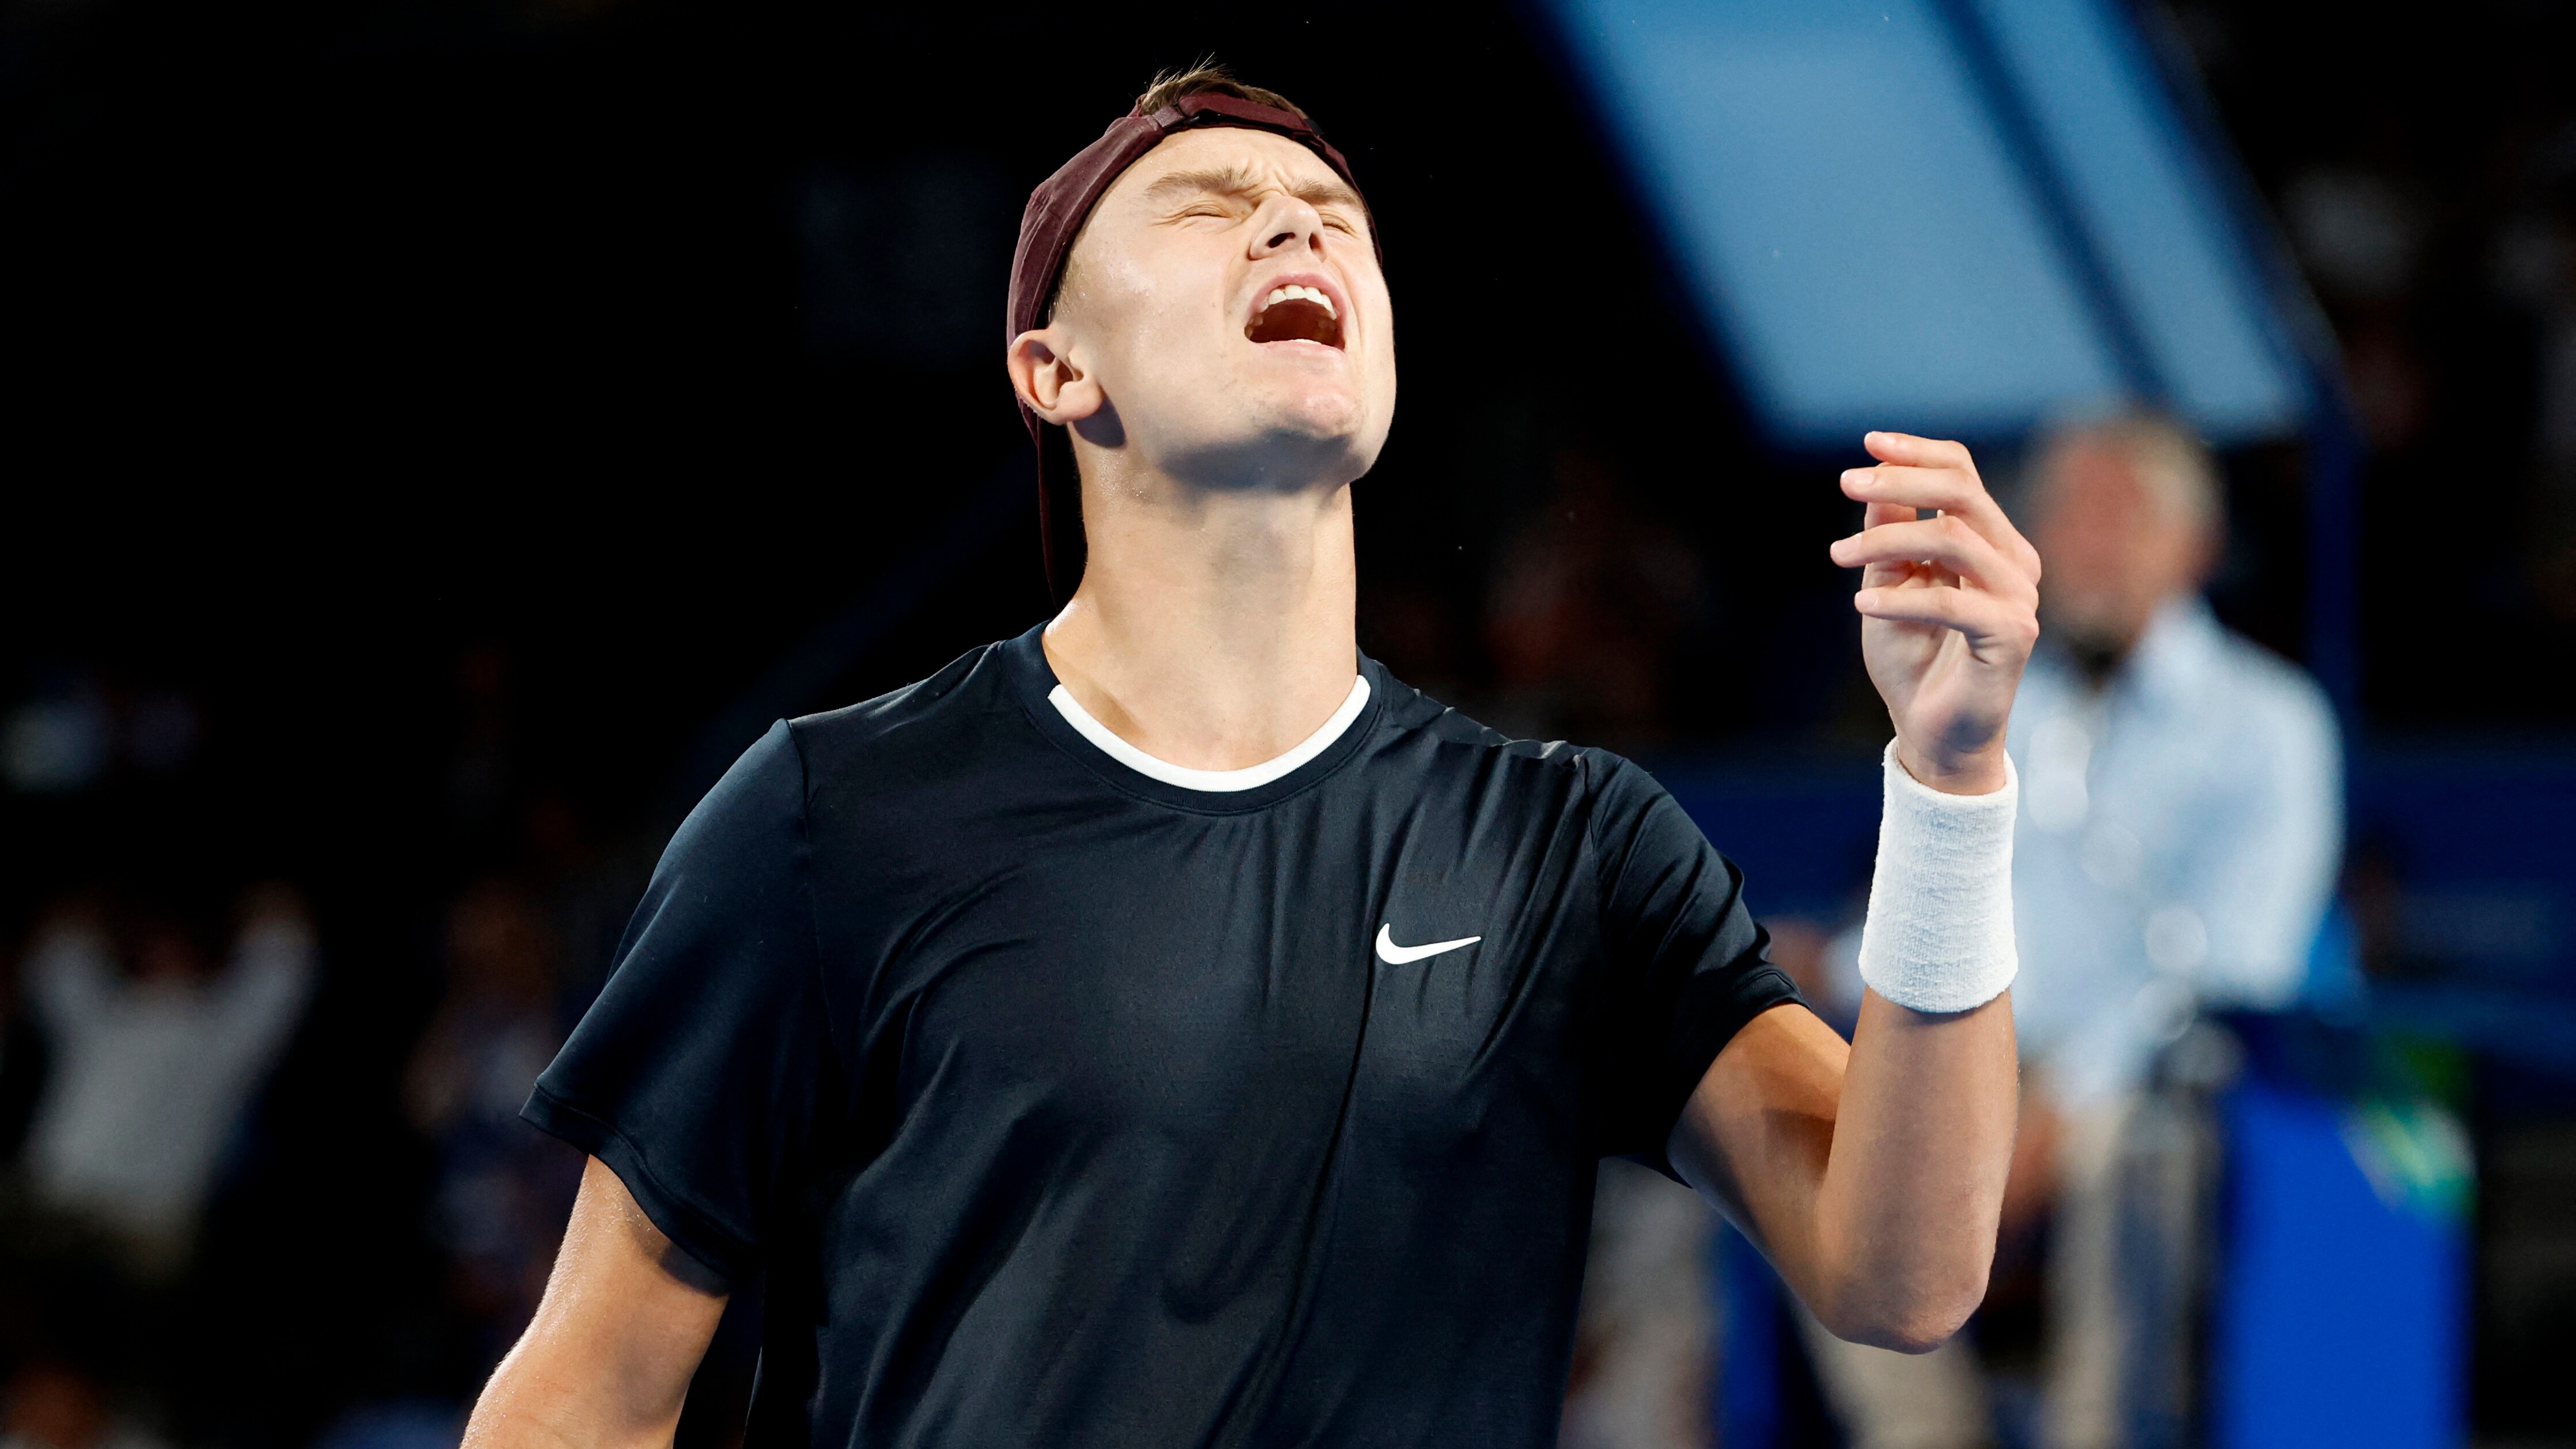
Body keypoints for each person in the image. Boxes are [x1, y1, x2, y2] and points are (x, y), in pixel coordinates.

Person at [462, 66, 2042, 1449]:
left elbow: (1900, 1266)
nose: (1296, 224)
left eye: (1329, 209)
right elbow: (587, 1395)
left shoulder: (1572, 847)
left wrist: (1952, 778)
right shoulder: (831, 819)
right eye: (1212, 204)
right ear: (1055, 371)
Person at [1800, 412, 2342, 1449]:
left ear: (2195, 544)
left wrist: (2057, 1100)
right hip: (1994, 1067)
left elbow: (2235, 967)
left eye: (2117, 516)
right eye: (2061, 516)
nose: (2082, 546)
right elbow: (1934, 902)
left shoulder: (2270, 724)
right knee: (1815, 1123)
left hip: (2154, 1093)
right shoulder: (1995, 694)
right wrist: (1826, 967)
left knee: (2126, 1146)